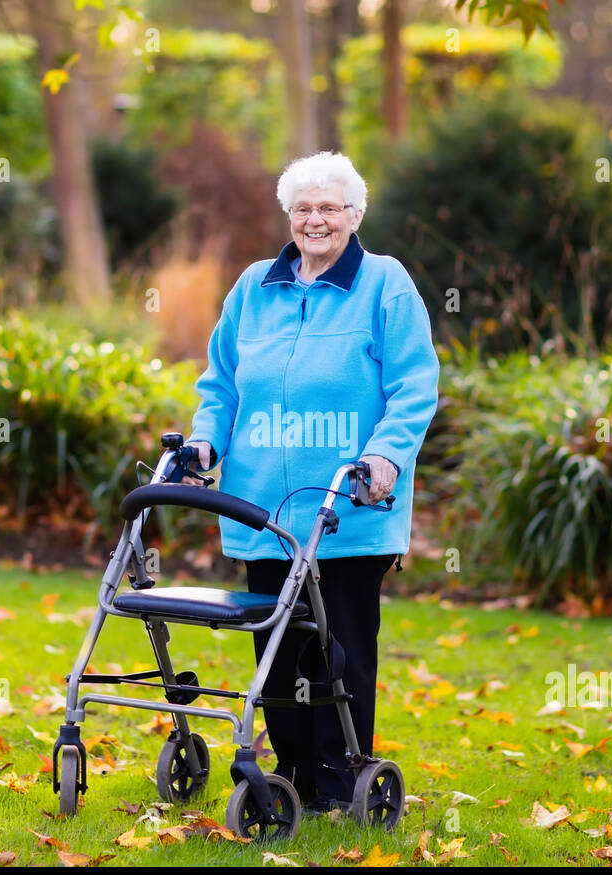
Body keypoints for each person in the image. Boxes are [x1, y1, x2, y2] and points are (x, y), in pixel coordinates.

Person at [183, 151, 439, 813]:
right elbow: (219, 384)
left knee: (342, 649)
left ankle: (339, 775)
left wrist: (385, 458)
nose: (316, 220)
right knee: (276, 648)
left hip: (348, 510)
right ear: (288, 216)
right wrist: (205, 438)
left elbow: (414, 385)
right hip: (262, 508)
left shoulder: (384, 284)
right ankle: (292, 777)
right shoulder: (253, 288)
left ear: (354, 215)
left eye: (329, 208)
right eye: (304, 209)